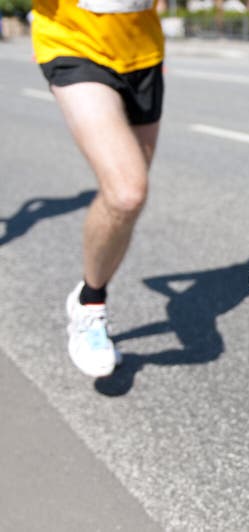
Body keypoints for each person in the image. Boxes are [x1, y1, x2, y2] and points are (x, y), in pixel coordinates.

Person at [31, 0, 164, 377]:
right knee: (126, 192)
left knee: (124, 205)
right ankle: (91, 306)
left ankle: (89, 295)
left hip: (142, 51)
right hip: (72, 43)